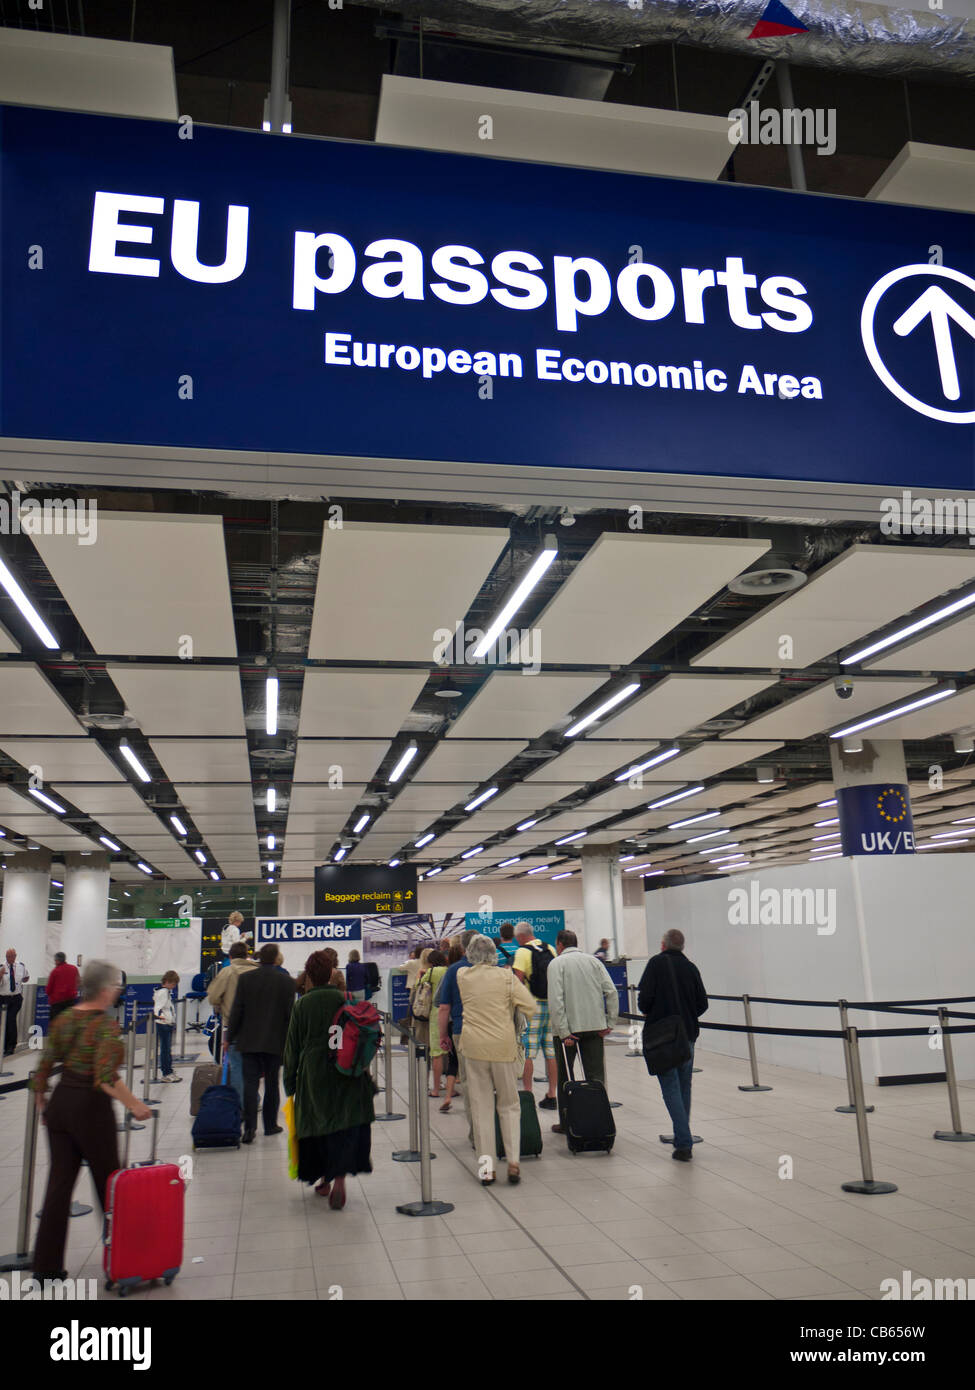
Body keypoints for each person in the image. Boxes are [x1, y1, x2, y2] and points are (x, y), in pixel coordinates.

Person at [31, 960, 152, 1281]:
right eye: (115, 986)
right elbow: (106, 1078)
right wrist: (135, 1104)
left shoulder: (65, 1019)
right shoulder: (104, 1027)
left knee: (58, 1187)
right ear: (104, 989)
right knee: (111, 1186)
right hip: (91, 1110)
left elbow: (44, 1063)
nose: (117, 991)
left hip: (61, 1107)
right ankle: (128, 1261)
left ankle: (46, 1268)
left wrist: (42, 1097)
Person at [283, 948, 374, 1210]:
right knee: (342, 1124)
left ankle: (324, 1178)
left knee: (319, 1125)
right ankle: (341, 1180)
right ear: (334, 973)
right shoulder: (346, 999)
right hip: (345, 1070)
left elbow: (292, 1048)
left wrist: (290, 1083)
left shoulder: (303, 1004)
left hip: (314, 1073)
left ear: (309, 975)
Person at [457, 934, 536, 1186]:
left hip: (473, 1049)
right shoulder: (506, 977)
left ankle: (487, 1169)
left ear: (470, 954)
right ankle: (513, 1162)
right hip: (503, 1048)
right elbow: (530, 1006)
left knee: (481, 1109)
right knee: (509, 1104)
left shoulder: (463, 977)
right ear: (494, 954)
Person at [638, 928, 709, 1162]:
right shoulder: (691, 968)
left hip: (664, 1037)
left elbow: (644, 1001)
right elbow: (702, 1004)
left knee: (670, 1086)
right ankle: (682, 1137)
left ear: (663, 945)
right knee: (684, 1086)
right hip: (687, 1035)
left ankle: (684, 1142)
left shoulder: (656, 965)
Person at [547, 929, 619, 1136]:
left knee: (564, 1077)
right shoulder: (594, 962)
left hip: (568, 1032)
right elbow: (611, 992)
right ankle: (599, 1120)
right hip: (595, 1028)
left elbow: (556, 1000)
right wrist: (610, 1022)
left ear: (560, 944)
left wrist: (563, 1032)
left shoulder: (556, 964)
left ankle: (566, 1122)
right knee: (596, 1077)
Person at [228, 942, 297, 1144]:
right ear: (276, 958)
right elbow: (289, 1015)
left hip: (248, 1041)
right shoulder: (286, 982)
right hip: (275, 1042)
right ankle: (270, 1125)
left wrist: (229, 1037)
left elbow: (237, 1010)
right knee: (272, 1083)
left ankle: (249, 1129)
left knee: (250, 1084)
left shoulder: (245, 979)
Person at [512, 923, 558, 1111]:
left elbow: (518, 981)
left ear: (521, 936)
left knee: (528, 1052)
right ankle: (552, 1094)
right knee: (551, 1051)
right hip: (552, 1005)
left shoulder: (522, 952)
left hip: (533, 1006)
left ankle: (528, 1093)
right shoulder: (550, 948)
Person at [437, 928, 477, 1139]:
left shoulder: (454, 970)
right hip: (494, 1031)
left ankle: (477, 1133)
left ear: (462, 948)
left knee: (470, 1081)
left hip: (462, 1030)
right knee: (491, 1083)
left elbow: (443, 1008)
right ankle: (497, 1130)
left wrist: (442, 1035)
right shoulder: (493, 968)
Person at [207, 940, 258, 1104]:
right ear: (247, 954)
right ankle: (254, 1099)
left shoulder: (227, 972)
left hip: (234, 1026)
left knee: (236, 1066)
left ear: (230, 956)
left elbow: (213, 996)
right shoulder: (258, 970)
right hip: (258, 1027)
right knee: (253, 1067)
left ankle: (241, 1104)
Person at [418, 950, 448, 1098]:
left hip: (436, 1014)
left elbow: (418, 986)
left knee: (436, 1054)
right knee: (450, 1054)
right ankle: (450, 1087)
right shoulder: (449, 971)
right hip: (452, 1014)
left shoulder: (430, 973)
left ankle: (436, 1089)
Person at [439, 944, 463, 1112]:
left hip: (454, 1023)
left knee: (453, 1061)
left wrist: (442, 1035)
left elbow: (441, 1005)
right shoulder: (474, 970)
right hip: (476, 1023)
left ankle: (448, 1096)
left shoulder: (450, 972)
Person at [153, 971, 183, 1083]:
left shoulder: (166, 992)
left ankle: (169, 1070)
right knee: (165, 1050)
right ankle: (166, 1073)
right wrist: (163, 1018)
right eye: (173, 984)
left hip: (167, 1023)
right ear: (167, 982)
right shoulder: (163, 992)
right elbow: (157, 1008)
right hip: (163, 1024)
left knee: (167, 1049)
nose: (174, 986)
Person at [0, 947, 30, 1055]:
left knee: (10, 1019)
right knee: (3, 1021)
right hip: (4, 998)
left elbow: (27, 977)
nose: (10, 958)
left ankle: (11, 1046)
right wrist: (0, 975)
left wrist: (20, 982)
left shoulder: (21, 966)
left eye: (12, 956)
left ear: (15, 956)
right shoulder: (1, 967)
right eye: (8, 956)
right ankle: (4, 1046)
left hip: (16, 998)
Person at [46, 953, 80, 1023]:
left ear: (57, 960)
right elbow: (78, 982)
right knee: (69, 1025)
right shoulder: (74, 968)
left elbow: (48, 990)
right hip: (71, 1002)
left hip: (57, 1004)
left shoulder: (55, 971)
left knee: (56, 1026)